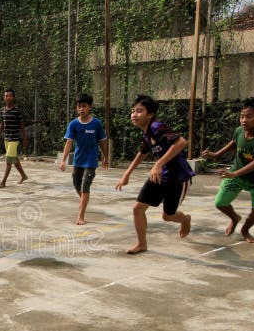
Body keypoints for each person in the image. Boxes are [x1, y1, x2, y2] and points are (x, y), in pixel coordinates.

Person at [115, 95, 194, 254]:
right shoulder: (147, 134)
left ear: (149, 114)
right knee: (137, 208)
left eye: (139, 111)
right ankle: (142, 244)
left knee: (168, 216)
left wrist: (158, 164)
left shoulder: (157, 127)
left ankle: (185, 219)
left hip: (177, 178)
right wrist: (126, 174)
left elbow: (181, 142)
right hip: (159, 176)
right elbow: (142, 154)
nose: (134, 115)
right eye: (132, 111)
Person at [202, 97, 254, 243]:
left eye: (249, 116)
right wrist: (216, 154)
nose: (244, 120)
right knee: (220, 203)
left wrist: (234, 174)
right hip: (236, 174)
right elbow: (234, 143)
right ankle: (235, 218)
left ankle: (245, 229)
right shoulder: (239, 131)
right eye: (242, 116)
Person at [59, 93, 109, 225]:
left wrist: (105, 157)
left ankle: (81, 216)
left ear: (90, 107)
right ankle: (84, 201)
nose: (81, 109)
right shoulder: (73, 124)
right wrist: (63, 160)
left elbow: (103, 141)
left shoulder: (96, 124)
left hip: (91, 161)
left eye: (84, 106)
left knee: (85, 185)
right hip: (78, 160)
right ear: (77, 108)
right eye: (79, 106)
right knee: (77, 185)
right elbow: (69, 142)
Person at [0, 88, 29, 188]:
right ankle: (24, 176)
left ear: (13, 97)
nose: (7, 97)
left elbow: (22, 126)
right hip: (6, 139)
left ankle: (3, 182)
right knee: (14, 159)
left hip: (14, 139)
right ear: (4, 98)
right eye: (6, 96)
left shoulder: (17, 111)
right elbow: (1, 124)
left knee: (8, 159)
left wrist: (25, 139)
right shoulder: (2, 110)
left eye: (10, 96)